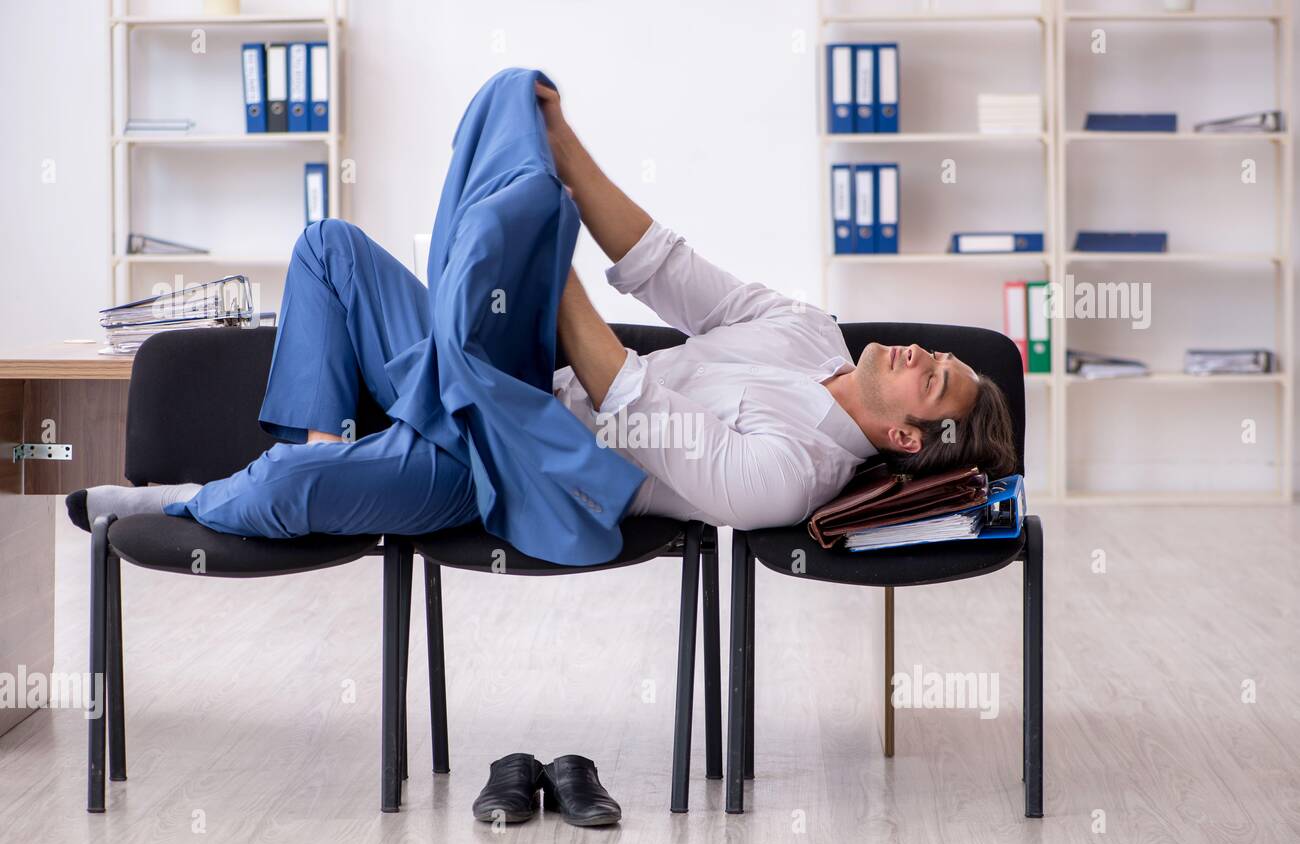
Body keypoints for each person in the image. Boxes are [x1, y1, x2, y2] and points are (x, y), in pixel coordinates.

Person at [69, 79, 1016, 551]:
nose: (921, 351)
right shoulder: (811, 330)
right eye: (935, 353)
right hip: (511, 370)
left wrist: (539, 243)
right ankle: (343, 440)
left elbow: (628, 398)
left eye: (931, 376)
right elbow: (661, 264)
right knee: (329, 247)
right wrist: (560, 144)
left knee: (282, 489)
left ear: (900, 433)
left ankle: (181, 499)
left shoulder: (791, 474)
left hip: (517, 465)